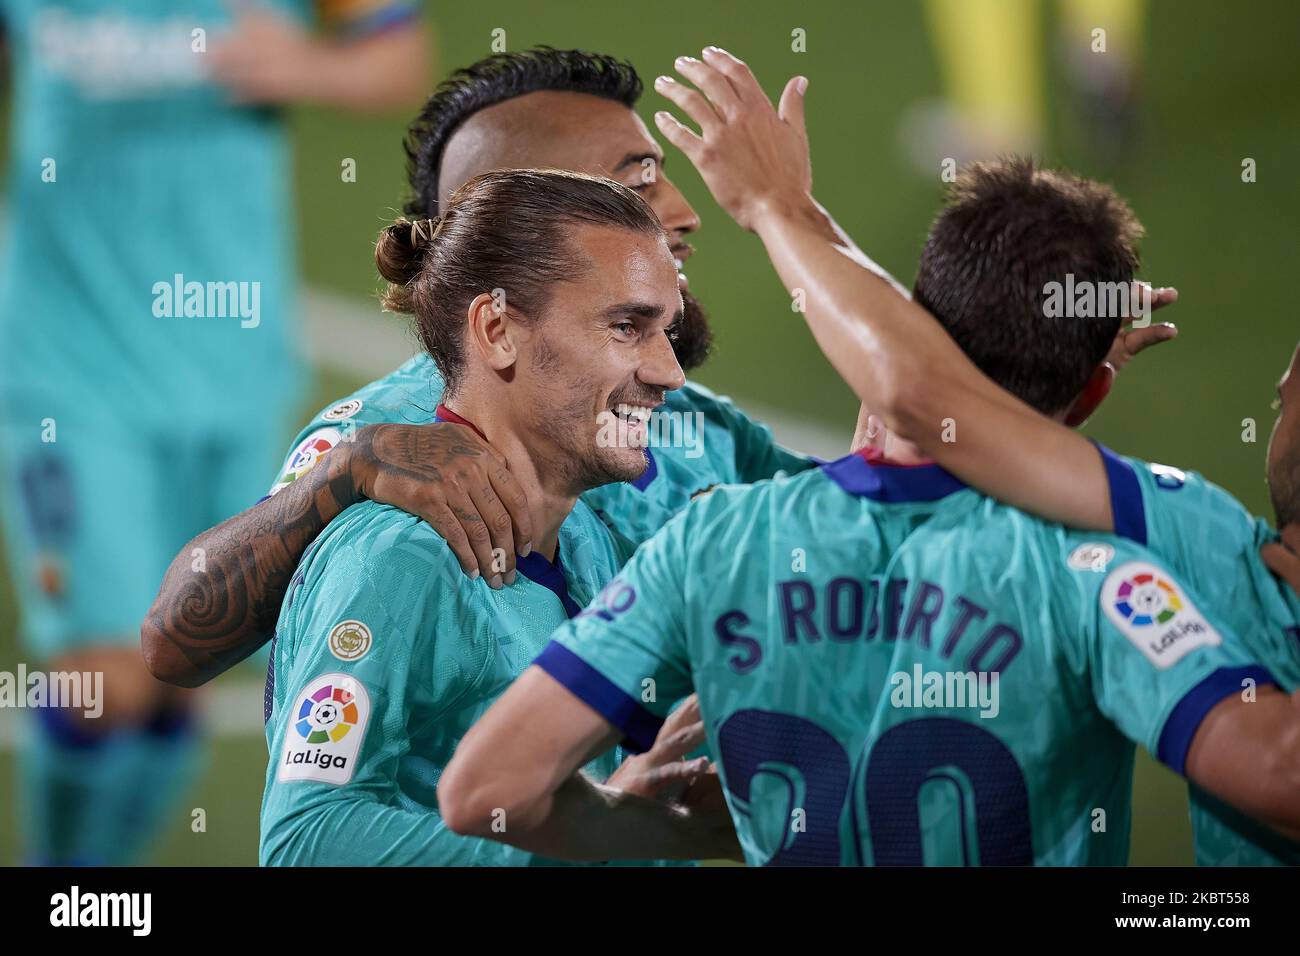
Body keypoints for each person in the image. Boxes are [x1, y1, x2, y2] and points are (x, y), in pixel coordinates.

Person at [439, 48, 1300, 865]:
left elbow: (484, 791)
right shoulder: (1112, 568)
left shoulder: (713, 544)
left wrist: (659, 827)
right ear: (1089, 398)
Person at [142, 47, 813, 688]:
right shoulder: (395, 428)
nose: (686, 212)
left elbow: (887, 518)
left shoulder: (682, 413)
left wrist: (798, 222)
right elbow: (175, 640)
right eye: (636, 183)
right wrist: (345, 472)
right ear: (521, 218)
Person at [0, 0, 430, 865]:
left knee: (176, 668)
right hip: (64, 364)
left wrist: (306, 67)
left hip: (230, 369)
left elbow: (401, 58)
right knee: (105, 682)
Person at [261, 169, 731, 865]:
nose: (669, 371)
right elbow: (306, 841)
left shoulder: (580, 535)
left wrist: (627, 806)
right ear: (498, 330)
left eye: (666, 329)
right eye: (627, 327)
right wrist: (605, 839)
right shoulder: (400, 558)